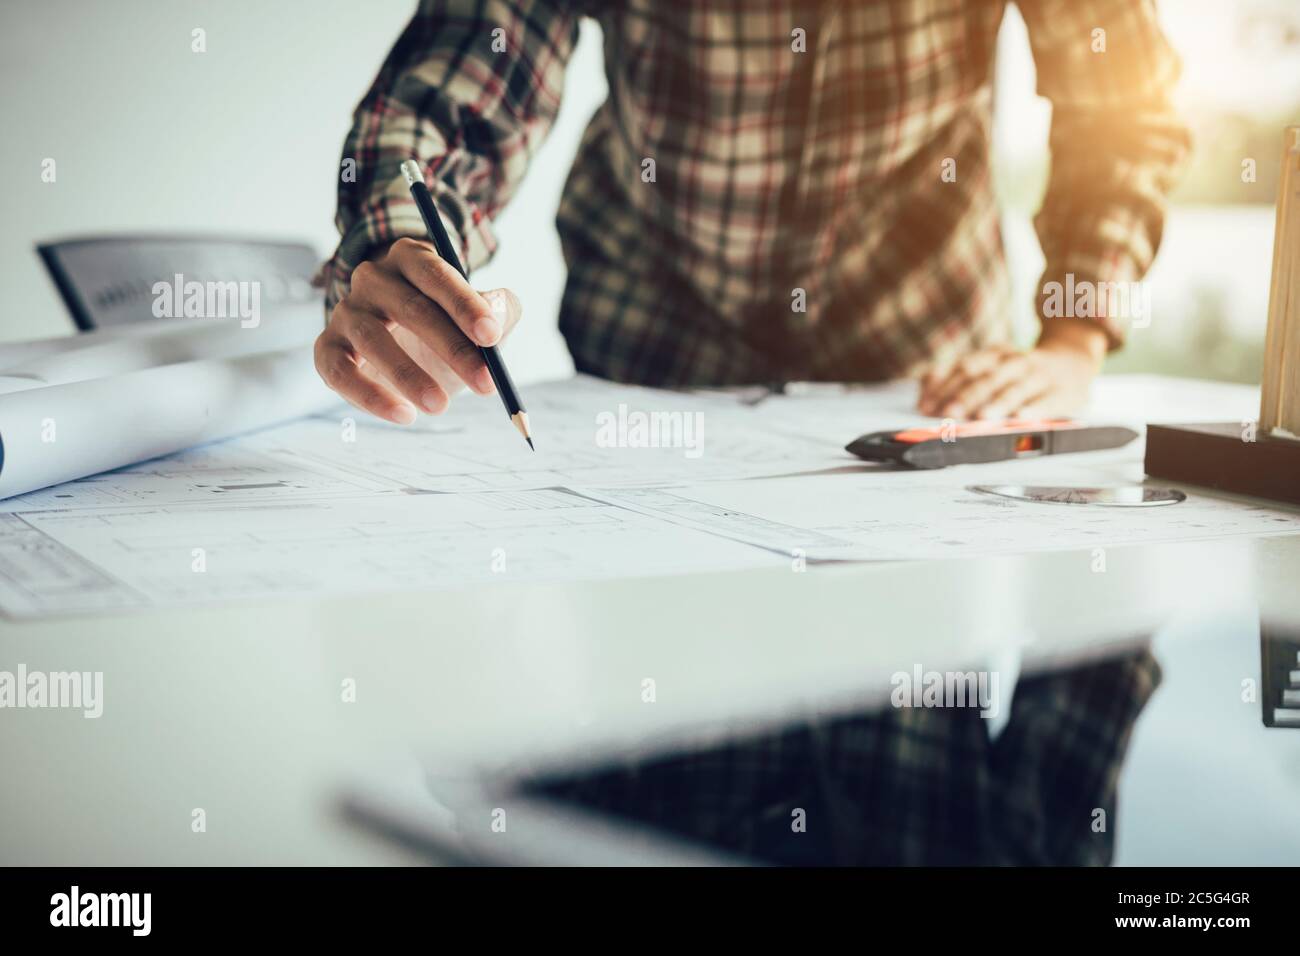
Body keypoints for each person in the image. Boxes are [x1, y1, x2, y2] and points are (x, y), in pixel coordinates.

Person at [315, 0, 1188, 425]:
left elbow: (1124, 108)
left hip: (926, 371)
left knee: (916, 709)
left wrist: (1074, 341)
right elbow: (465, 67)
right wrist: (402, 241)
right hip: (648, 346)